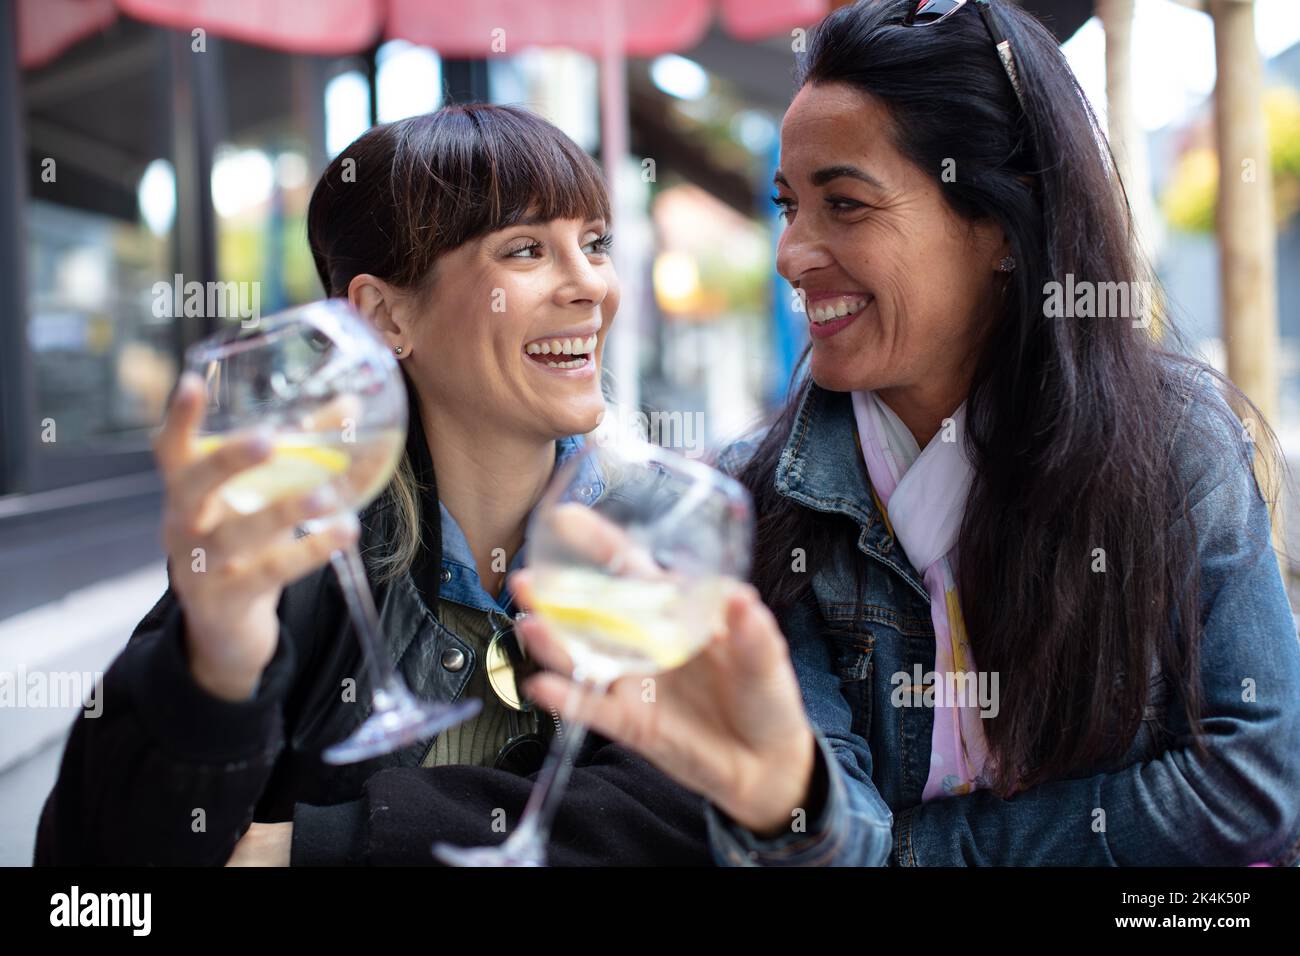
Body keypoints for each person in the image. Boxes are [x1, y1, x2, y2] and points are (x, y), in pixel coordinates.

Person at [516, 0, 1300, 866]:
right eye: (788, 207)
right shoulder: (752, 500)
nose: (790, 253)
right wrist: (790, 796)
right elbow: (838, 834)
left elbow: (1258, 782)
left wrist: (921, 850)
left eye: (844, 205)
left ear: (1002, 223)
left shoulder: (1172, 447)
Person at [34, 103, 822, 866]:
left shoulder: (660, 529)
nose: (591, 285)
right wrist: (218, 669)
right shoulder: (293, 560)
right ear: (384, 317)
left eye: (595, 242)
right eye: (524, 250)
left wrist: (324, 846)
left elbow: (695, 817)